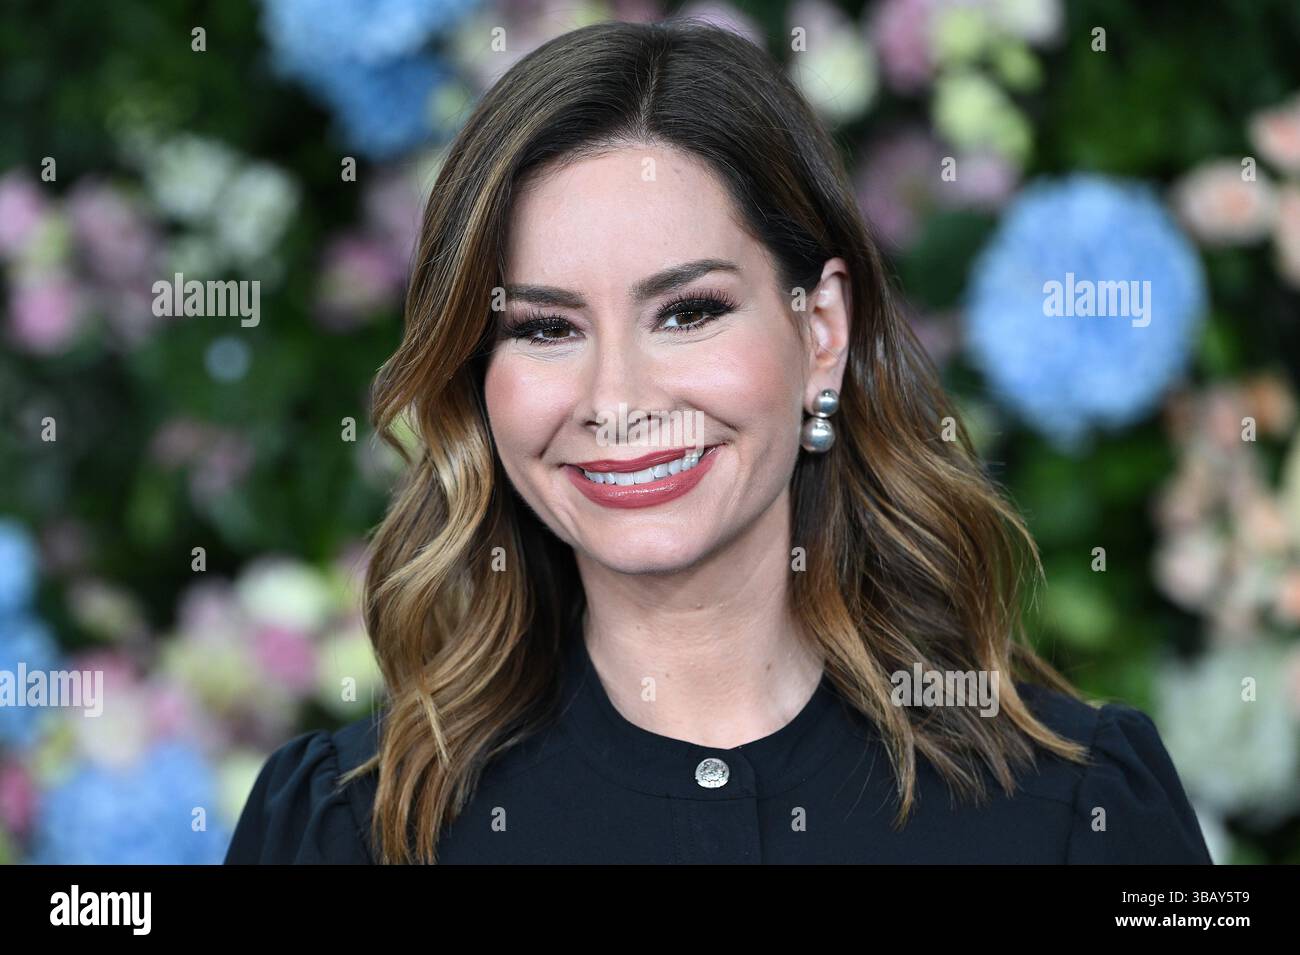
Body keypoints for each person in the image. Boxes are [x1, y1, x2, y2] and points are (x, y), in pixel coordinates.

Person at [225, 17, 1213, 865]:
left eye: (688, 311)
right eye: (543, 326)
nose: (616, 398)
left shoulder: (1079, 811)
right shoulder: (346, 826)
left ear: (819, 330)